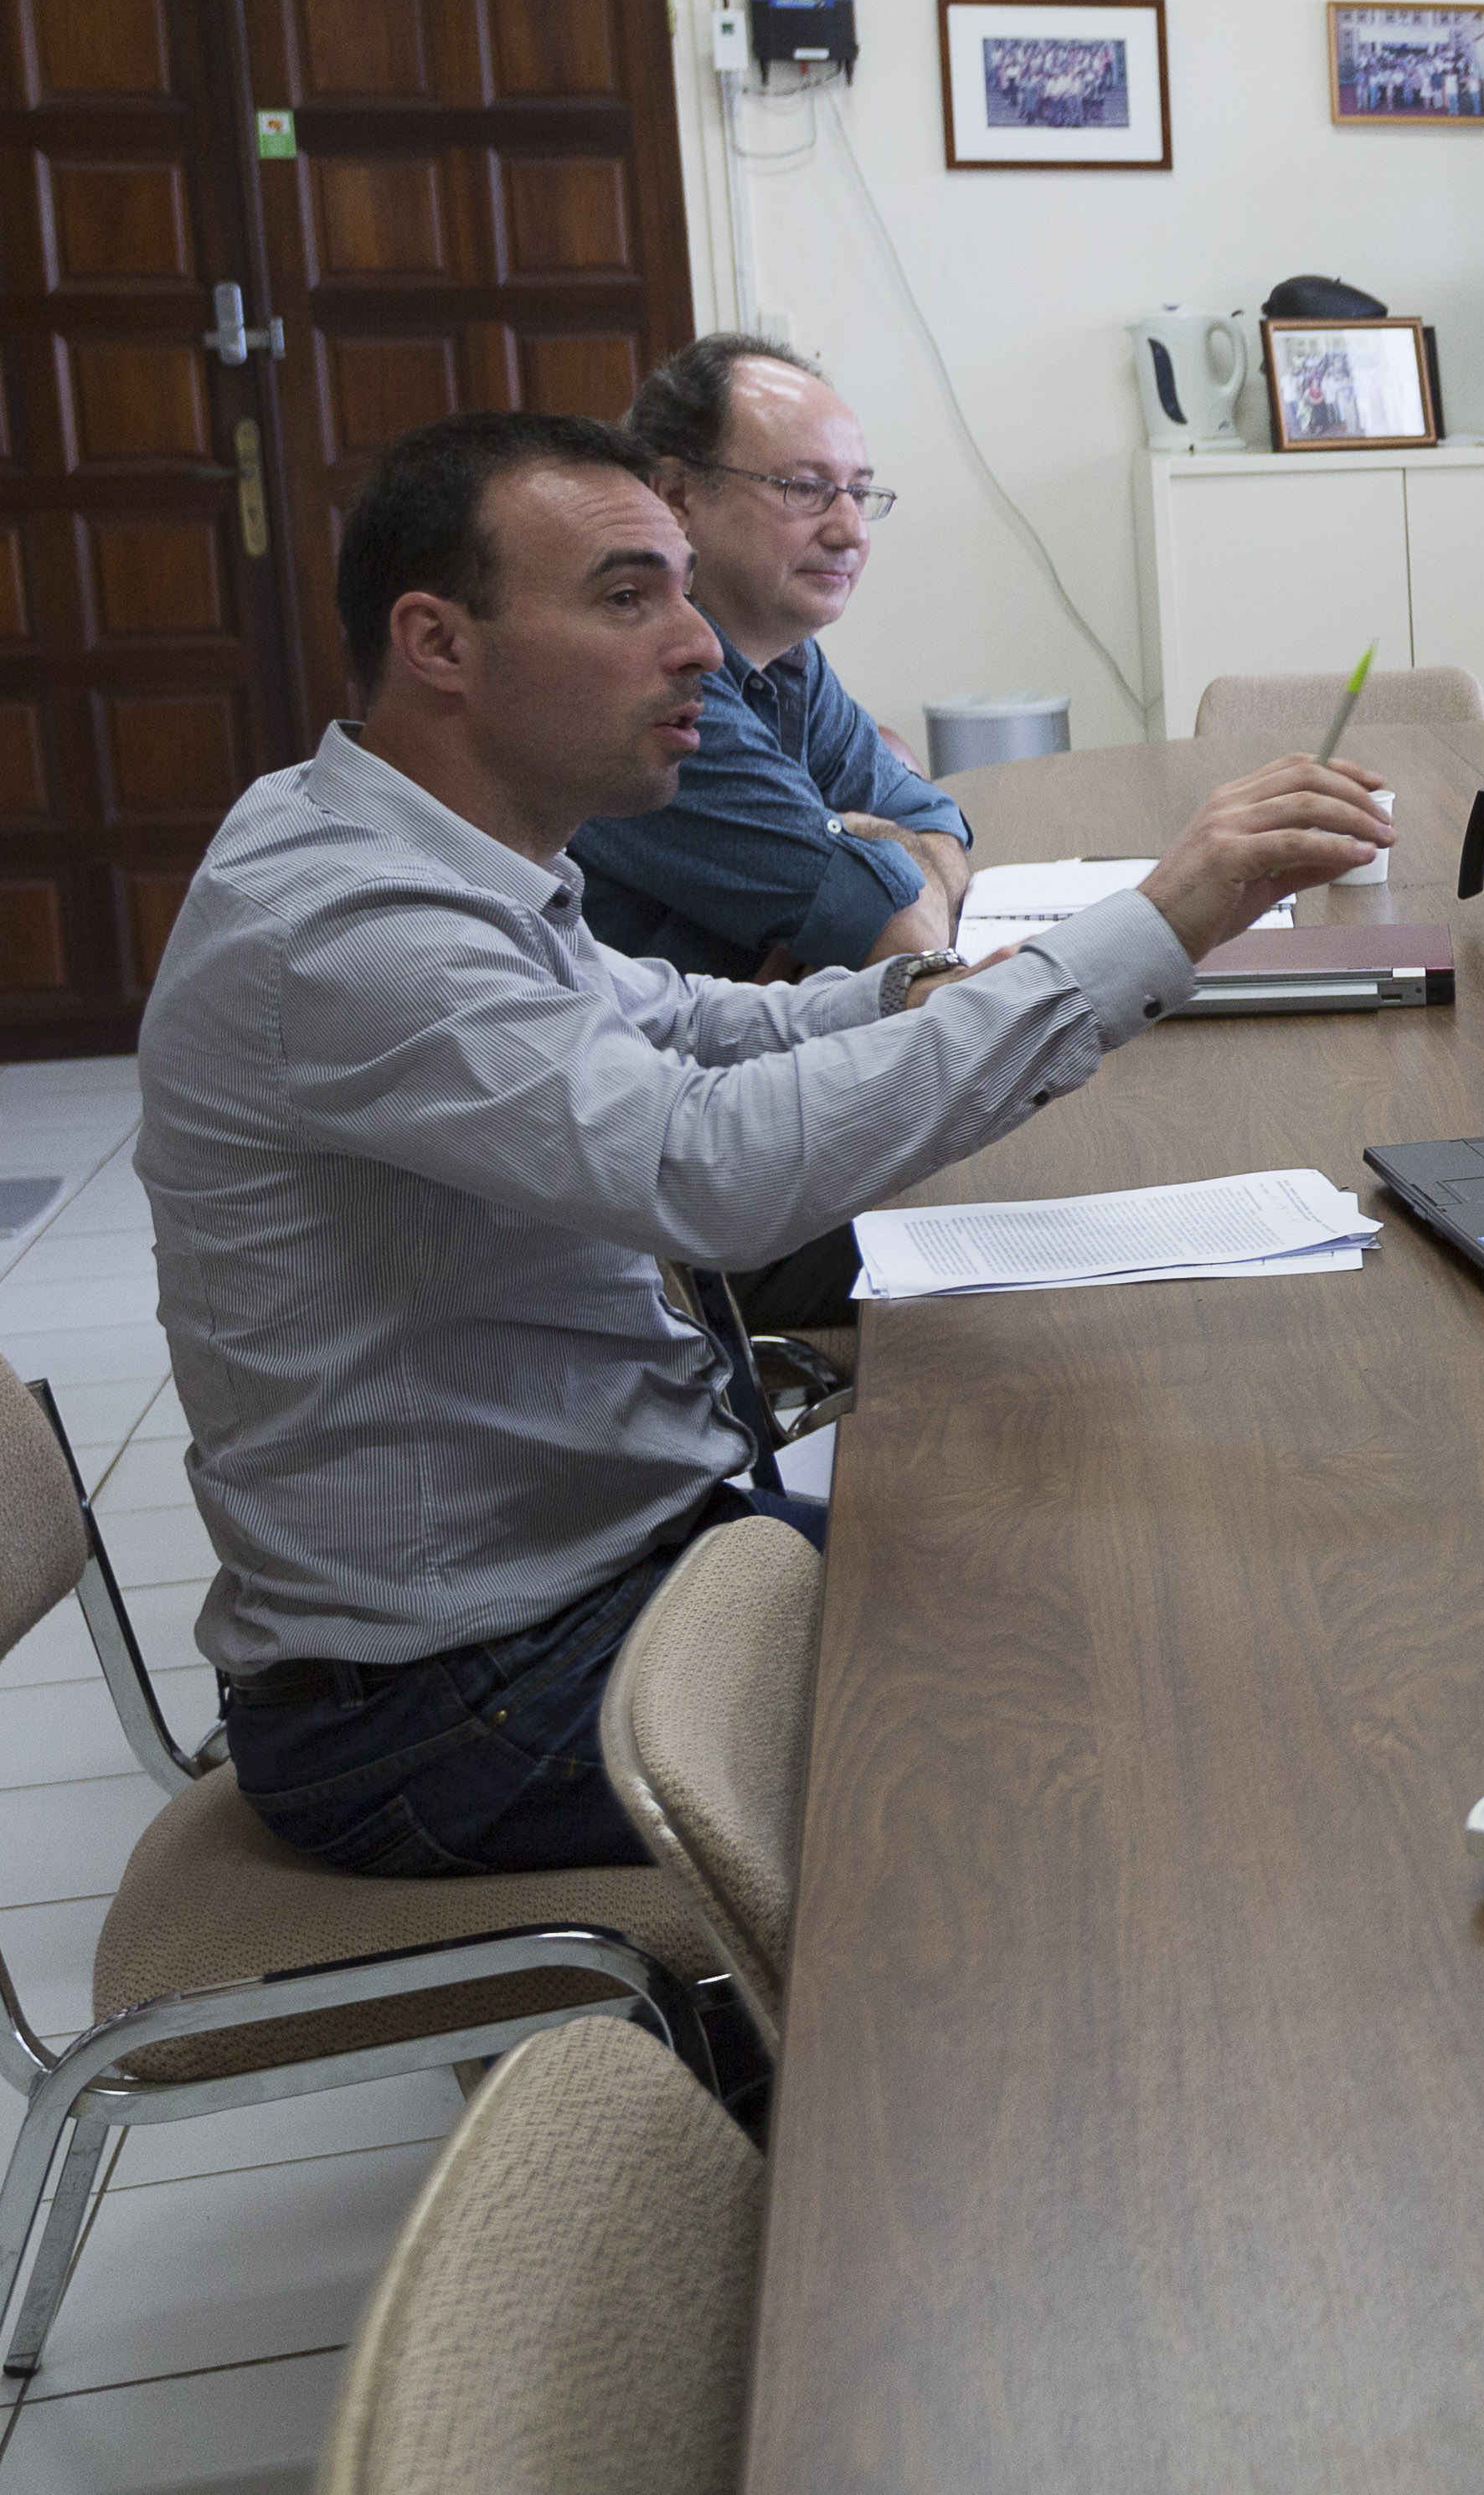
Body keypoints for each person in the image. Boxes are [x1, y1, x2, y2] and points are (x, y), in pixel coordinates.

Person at [140, 412, 1389, 1879]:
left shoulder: (416, 846)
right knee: (1098, 1711)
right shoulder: (350, 925)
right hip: (451, 1700)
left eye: (682, 589)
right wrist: (1155, 927)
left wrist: (930, 986)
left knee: (1122, 1585)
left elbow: (683, 1028)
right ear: (438, 641)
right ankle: (817, 2075)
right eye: (626, 596)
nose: (698, 647)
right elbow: (709, 1166)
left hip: (595, 1573)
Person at [575, 334, 971, 983]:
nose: (851, 531)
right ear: (675, 497)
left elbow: (935, 819)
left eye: (858, 492)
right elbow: (903, 926)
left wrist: (868, 839)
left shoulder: (788, 660)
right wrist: (885, 854)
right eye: (806, 488)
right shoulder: (652, 683)